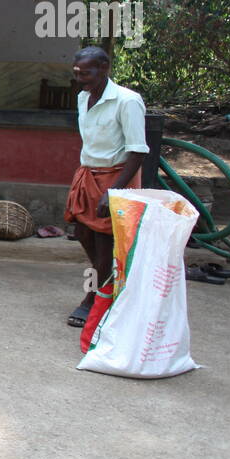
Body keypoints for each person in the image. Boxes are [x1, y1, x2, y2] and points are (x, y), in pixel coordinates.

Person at [64, 46, 148, 327]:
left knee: (104, 240)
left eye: (86, 73)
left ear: (104, 68)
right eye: (76, 73)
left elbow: (138, 151)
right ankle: (109, 284)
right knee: (82, 232)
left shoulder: (127, 101)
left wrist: (114, 191)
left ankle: (94, 299)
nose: (80, 78)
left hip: (116, 177)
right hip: (88, 174)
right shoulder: (82, 98)